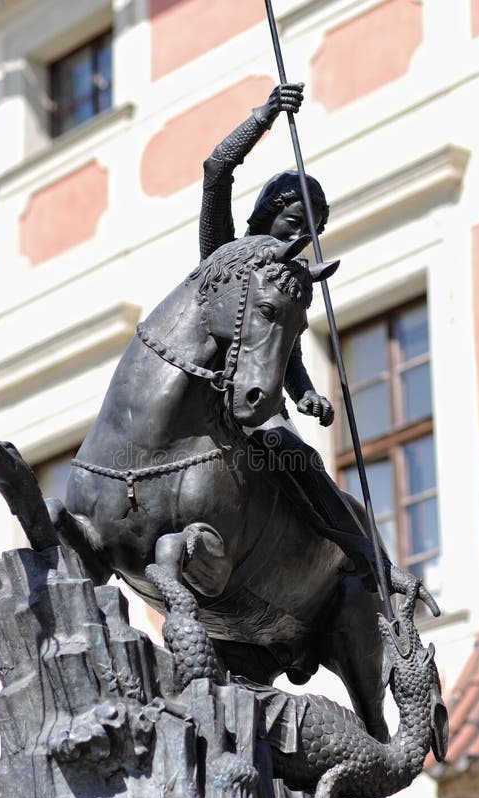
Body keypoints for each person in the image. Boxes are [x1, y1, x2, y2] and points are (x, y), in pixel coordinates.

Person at [198, 84, 417, 597]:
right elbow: (215, 172)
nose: (298, 239)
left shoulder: (291, 284)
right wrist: (265, 116)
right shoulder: (223, 253)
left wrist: (304, 393)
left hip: (257, 405)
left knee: (302, 462)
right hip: (203, 390)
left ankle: (365, 561)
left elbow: (285, 352)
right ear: (264, 215)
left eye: (311, 231)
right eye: (293, 223)